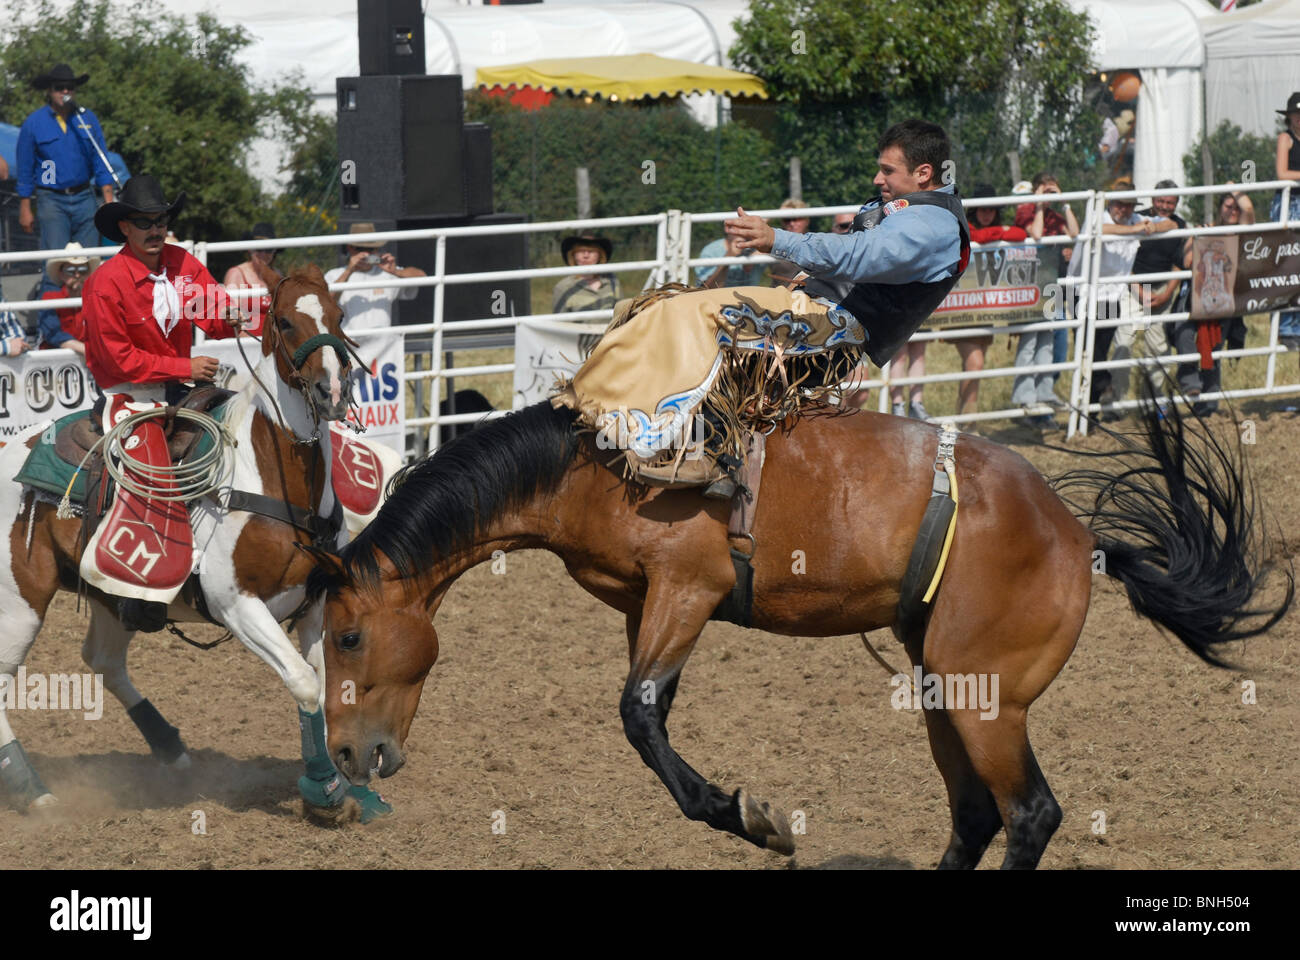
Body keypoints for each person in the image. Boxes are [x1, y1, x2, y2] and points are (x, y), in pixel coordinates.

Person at [555, 118, 969, 495]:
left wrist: (777, 240)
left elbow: (860, 254)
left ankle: (712, 453)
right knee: (655, 306)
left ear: (924, 173)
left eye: (888, 171)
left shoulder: (932, 225)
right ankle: (612, 413)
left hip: (837, 331)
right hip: (818, 313)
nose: (878, 178)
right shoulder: (915, 209)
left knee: (700, 314)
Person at [79, 174, 245, 632]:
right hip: (131, 397)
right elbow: (118, 359)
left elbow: (213, 318)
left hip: (181, 390)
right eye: (145, 222)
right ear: (125, 228)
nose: (156, 230)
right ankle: (143, 585)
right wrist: (183, 369)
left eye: (161, 221)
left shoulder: (181, 265)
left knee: (242, 439)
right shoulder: (105, 283)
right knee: (153, 475)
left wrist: (249, 318)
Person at [1086, 180, 1175, 411]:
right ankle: (1104, 393)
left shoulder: (1137, 220)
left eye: (1128, 206)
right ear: (1110, 203)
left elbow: (1171, 224)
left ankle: (1098, 407)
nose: (1123, 210)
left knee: (1102, 346)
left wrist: (1152, 228)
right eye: (1119, 204)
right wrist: (1136, 229)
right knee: (1091, 346)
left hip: (1111, 294)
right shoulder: (1101, 217)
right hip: (1084, 292)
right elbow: (1099, 230)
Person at [15, 64, 116, 263]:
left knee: (90, 261)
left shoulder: (86, 118)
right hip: (51, 198)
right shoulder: (34, 122)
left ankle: (89, 294)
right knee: (55, 261)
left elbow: (101, 160)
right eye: (59, 87)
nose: (65, 91)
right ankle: (51, 293)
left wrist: (108, 200)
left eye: (69, 87)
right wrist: (25, 208)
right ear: (50, 90)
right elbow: (25, 169)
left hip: (85, 196)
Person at [955, 185, 1027, 421]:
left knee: (974, 365)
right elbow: (976, 237)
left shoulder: (985, 226)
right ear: (974, 211)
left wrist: (999, 232)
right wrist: (1001, 231)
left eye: (991, 209)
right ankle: (969, 421)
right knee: (975, 363)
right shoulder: (967, 226)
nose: (986, 213)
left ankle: (962, 418)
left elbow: (1020, 234)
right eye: (982, 209)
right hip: (964, 308)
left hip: (984, 307)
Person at [1013, 172, 1078, 421]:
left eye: (1053, 190)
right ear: (1035, 190)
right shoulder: (1025, 211)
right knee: (1029, 342)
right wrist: (1039, 204)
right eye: (1045, 189)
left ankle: (1044, 392)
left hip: (1050, 286)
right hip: (1029, 285)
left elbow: (1074, 232)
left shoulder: (1057, 216)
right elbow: (1037, 234)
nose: (1050, 194)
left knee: (1048, 342)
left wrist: (1066, 202)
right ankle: (1025, 397)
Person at [323, 223, 426, 331]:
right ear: (350, 248)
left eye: (371, 249)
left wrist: (395, 271)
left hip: (384, 345)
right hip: (350, 343)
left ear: (377, 249)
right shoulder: (334, 274)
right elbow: (326, 304)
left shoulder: (388, 273)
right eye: (360, 248)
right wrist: (349, 271)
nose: (366, 254)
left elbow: (422, 276)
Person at [1211, 187, 1255, 354]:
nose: (1233, 211)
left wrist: (1231, 185)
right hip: (1144, 286)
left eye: (1236, 207)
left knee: (1216, 344)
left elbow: (1248, 208)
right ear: (1220, 207)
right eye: (1228, 206)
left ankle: (1209, 379)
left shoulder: (1242, 229)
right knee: (1140, 332)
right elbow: (1186, 261)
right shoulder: (1205, 229)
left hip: (1228, 296)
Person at [37, 241, 100, 355]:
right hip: (56, 362)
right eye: (70, 271)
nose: (77, 275)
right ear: (61, 274)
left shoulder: (97, 298)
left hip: (92, 360)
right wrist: (88, 351)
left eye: (82, 270)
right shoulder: (50, 298)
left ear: (89, 274)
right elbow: (53, 334)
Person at [1273, 93, 1300, 353]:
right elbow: (1282, 173)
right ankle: (1287, 328)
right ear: (1289, 117)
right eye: (1297, 115)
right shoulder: (1285, 139)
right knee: (1288, 266)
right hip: (1289, 205)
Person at [223, 220, 278, 334]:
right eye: (258, 248)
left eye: (268, 249)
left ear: (274, 251)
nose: (263, 254)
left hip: (275, 343)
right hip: (248, 343)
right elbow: (232, 320)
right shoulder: (236, 274)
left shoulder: (278, 275)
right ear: (250, 249)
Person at [552, 233, 620, 313]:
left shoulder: (612, 281)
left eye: (591, 251)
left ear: (600, 255)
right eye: (581, 251)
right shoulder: (563, 287)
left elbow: (622, 314)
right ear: (573, 255)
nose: (586, 255)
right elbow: (559, 322)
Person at [694, 230, 765, 289]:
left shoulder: (758, 247)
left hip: (750, 302)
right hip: (718, 302)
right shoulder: (711, 251)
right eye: (739, 226)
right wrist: (727, 259)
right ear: (727, 228)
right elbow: (705, 290)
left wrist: (769, 249)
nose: (743, 231)